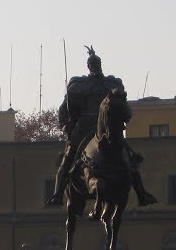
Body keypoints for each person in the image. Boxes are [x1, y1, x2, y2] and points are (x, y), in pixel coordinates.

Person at [47, 46, 154, 207]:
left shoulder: (112, 84)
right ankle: (57, 194)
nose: (94, 66)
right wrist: (65, 126)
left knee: (128, 159)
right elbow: (64, 109)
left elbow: (121, 104)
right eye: (91, 63)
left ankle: (141, 193)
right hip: (83, 126)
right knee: (68, 159)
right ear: (88, 66)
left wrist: (124, 115)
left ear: (100, 64)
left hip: (106, 126)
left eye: (96, 63)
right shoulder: (78, 85)